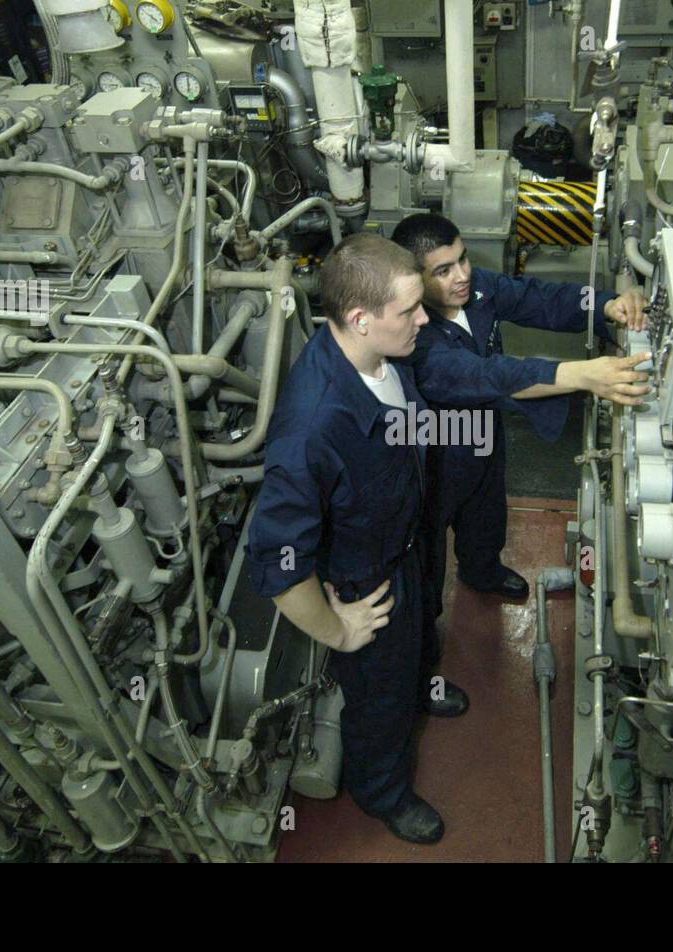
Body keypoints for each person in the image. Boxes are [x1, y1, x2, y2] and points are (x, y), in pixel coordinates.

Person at [245, 234, 463, 845]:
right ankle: (383, 793)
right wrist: (338, 629)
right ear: (361, 319)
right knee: (380, 702)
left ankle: (423, 687)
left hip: (409, 546)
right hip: (370, 580)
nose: (426, 317)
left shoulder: (384, 357)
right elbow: (281, 566)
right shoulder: (312, 426)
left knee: (422, 640)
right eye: (412, 310)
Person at [390, 212, 651, 651]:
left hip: (482, 432)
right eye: (443, 270)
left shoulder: (476, 289)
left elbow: (539, 298)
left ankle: (482, 569)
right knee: (427, 549)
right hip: (433, 448)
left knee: (486, 510)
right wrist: (583, 374)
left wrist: (605, 303)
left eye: (463, 260)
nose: (461, 275)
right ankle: (423, 635)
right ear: (412, 279)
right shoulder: (415, 336)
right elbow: (490, 375)